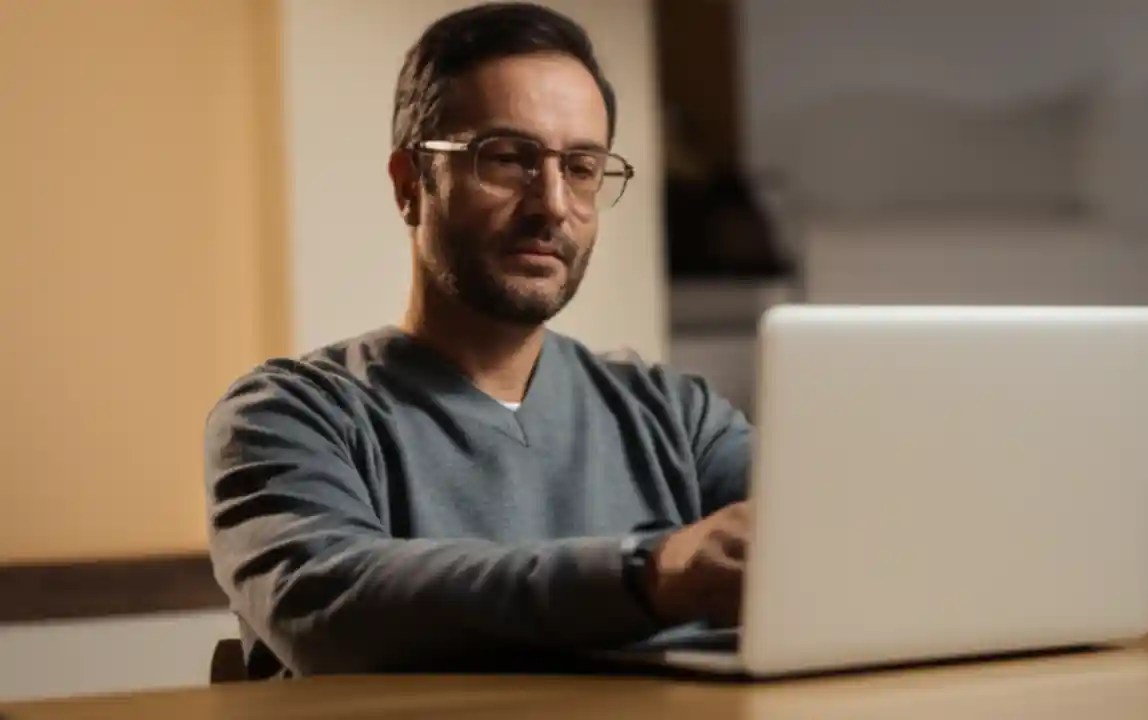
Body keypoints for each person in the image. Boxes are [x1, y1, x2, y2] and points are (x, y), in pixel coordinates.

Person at [204, 2, 752, 679]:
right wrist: (648, 575)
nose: (552, 202)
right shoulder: (290, 416)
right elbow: (327, 607)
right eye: (507, 159)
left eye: (581, 167)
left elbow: (818, 542)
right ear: (411, 186)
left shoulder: (677, 418)